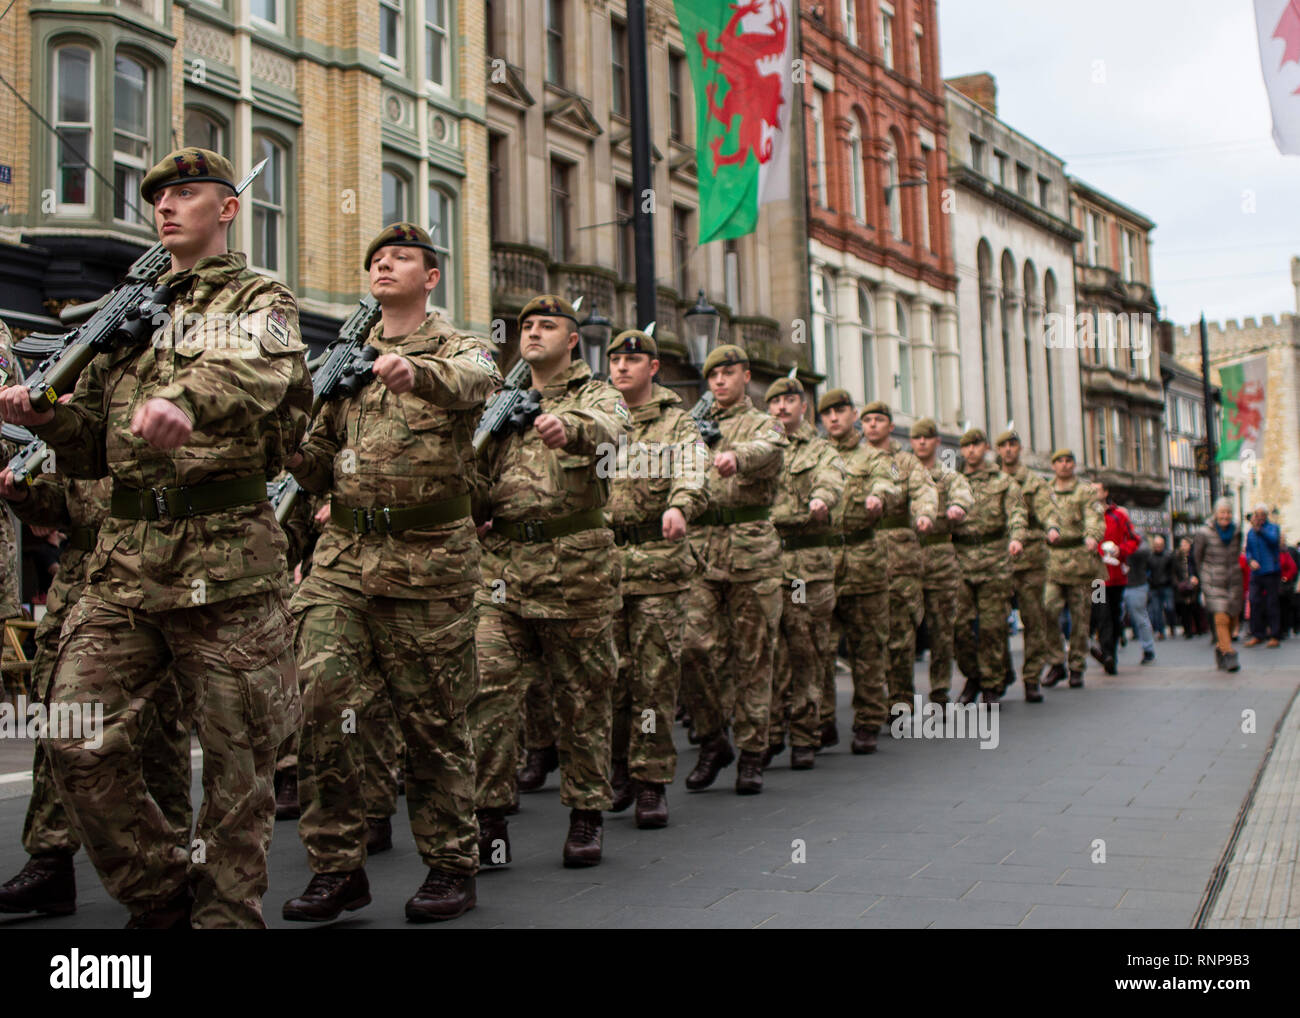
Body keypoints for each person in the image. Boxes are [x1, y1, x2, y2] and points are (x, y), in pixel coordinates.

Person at [0, 146, 312, 927]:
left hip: (228, 562)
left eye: (185, 192)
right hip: (127, 562)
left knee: (239, 766)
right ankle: (159, 887)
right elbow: (90, 447)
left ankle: (225, 916)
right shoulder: (127, 315)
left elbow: (262, 371)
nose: (166, 205)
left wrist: (186, 401)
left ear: (227, 208)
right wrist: (46, 418)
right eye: (158, 197)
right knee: (73, 735)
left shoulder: (258, 298)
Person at [281, 223, 497, 923]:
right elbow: (317, 464)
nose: (384, 264)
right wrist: (287, 441)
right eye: (376, 258)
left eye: (401, 257)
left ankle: (451, 865)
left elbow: (478, 383)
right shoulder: (344, 361)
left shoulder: (461, 348)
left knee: (433, 721)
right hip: (343, 560)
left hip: (429, 564)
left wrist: (416, 373)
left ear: (431, 277)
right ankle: (337, 867)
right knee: (321, 703)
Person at [469, 294, 628, 866]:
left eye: (547, 326)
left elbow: (615, 429)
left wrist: (571, 428)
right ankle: (489, 820)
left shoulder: (596, 394)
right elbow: (475, 476)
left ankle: (586, 814)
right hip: (502, 573)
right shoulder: (500, 402)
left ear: (572, 340)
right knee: (487, 693)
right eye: (527, 326)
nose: (533, 332)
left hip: (575, 572)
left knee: (583, 700)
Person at [0, 473, 193, 918]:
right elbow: (58, 505)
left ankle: (171, 868)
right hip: (80, 577)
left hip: (152, 571)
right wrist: (26, 496)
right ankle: (51, 857)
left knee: (158, 724)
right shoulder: (75, 432)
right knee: (60, 718)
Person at [604, 327, 708, 825]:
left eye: (632, 359)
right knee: (610, 679)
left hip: (658, 567)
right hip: (602, 567)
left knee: (654, 679)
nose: (622, 367)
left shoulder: (676, 422)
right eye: (615, 360)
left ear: (653, 367)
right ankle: (618, 770)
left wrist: (680, 505)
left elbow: (693, 468)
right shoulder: (598, 416)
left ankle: (650, 781)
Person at [681, 345, 787, 794]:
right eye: (713, 376)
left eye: (728, 373)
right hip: (701, 554)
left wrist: (736, 456)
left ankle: (752, 751)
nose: (720, 381)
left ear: (746, 375)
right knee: (689, 645)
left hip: (751, 554)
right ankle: (712, 738)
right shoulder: (690, 426)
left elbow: (769, 449)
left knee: (753, 656)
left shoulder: (765, 423)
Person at [765, 376, 844, 770]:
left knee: (806, 650)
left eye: (789, 400)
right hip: (764, 565)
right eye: (775, 401)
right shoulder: (761, 446)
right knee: (768, 654)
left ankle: (805, 733)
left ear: (803, 406)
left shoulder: (821, 449)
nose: (782, 407)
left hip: (805, 570)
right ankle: (769, 733)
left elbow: (831, 480)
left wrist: (821, 499)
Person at [816, 390, 899, 754]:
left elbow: (888, 481)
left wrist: (879, 497)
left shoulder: (874, 456)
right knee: (820, 647)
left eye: (840, 411)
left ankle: (868, 720)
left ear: (853, 414)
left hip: (864, 563)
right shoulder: (815, 456)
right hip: (821, 564)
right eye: (827, 413)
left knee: (867, 646)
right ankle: (823, 719)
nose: (834, 418)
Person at [861, 401, 937, 715]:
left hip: (900, 560)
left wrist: (924, 514)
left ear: (891, 426)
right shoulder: (853, 459)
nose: (872, 425)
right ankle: (870, 703)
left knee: (900, 635)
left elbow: (923, 491)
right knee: (867, 636)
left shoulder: (905, 462)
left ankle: (900, 700)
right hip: (861, 558)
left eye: (879, 419)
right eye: (867, 420)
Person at [952, 430, 1027, 703]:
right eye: (966, 446)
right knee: (958, 626)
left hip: (995, 561)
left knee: (992, 627)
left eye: (976, 445)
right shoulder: (954, 482)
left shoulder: (1003, 482)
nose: (971, 450)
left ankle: (992, 684)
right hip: (960, 561)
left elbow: (1017, 512)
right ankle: (973, 675)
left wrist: (1017, 537)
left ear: (985, 447)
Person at [910, 418, 972, 705]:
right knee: (900, 631)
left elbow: (962, 494)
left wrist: (958, 507)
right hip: (905, 558)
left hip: (940, 559)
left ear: (937, 441)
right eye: (917, 437)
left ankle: (939, 691)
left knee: (942, 630)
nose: (922, 442)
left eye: (927, 437)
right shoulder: (902, 473)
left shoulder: (949, 476)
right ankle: (899, 695)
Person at [996, 430, 1055, 693]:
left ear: (1020, 448)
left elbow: (1046, 509)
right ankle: (1002, 671)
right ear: (997, 450)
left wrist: (1051, 526)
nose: (1008, 449)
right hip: (998, 559)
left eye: (1012, 444)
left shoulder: (1034, 482)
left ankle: (1032, 677)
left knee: (1034, 620)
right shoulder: (992, 480)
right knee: (995, 621)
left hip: (1030, 560)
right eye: (1003, 445)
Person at [1042, 450, 1105, 688]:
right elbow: (1040, 514)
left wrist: (1092, 535)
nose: (1064, 465)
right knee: (1047, 608)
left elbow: (1094, 516)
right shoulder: (1045, 491)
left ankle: (1077, 665)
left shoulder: (1085, 491)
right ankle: (1056, 661)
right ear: (1053, 465)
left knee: (1080, 617)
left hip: (1079, 560)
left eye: (1069, 461)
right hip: (1053, 560)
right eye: (1060, 461)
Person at [1089, 482, 1138, 675]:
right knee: (1101, 614)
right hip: (1097, 579)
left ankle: (1111, 653)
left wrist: (1121, 550)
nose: (1093, 493)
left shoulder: (1119, 515)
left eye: (1097, 490)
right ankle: (1107, 653)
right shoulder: (1086, 516)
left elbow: (1134, 539)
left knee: (1115, 614)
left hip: (1116, 576)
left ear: (1105, 492)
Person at [1192, 500, 1243, 671]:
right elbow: (1197, 556)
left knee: (1232, 616)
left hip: (1233, 579)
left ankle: (1220, 647)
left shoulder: (1237, 531)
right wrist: (1204, 576)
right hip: (1213, 580)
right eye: (1222, 512)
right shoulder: (1204, 532)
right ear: (1215, 514)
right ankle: (1229, 653)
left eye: (1228, 512)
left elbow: (1236, 553)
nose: (1225, 516)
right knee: (1221, 617)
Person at [1244, 505, 1284, 648]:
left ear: (1266, 515)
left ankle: (1274, 635)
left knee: (1272, 603)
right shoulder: (1250, 532)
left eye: (1261, 514)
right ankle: (1257, 634)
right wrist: (1250, 560)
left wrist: (1260, 530)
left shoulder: (1273, 528)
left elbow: (1273, 541)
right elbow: (1248, 550)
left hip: (1271, 570)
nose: (1259, 516)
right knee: (1254, 601)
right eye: (1257, 514)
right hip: (1256, 572)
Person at [1124, 535, 1157, 664]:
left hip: (1136, 585)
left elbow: (1145, 551)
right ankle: (1109, 649)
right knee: (1109, 618)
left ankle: (1148, 649)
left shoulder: (1134, 535)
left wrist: (1122, 548)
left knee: (1140, 618)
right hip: (1113, 584)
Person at [1147, 534, 1176, 639]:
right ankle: (1160, 631)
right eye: (1156, 545)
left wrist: (1171, 580)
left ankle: (1172, 626)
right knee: (1156, 610)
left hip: (1166, 585)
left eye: (1160, 545)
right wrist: (1150, 580)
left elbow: (1173, 571)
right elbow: (1147, 571)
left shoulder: (1168, 556)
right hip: (1154, 587)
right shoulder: (1150, 557)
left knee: (1169, 608)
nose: (1158, 547)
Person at [1175, 535, 1204, 637]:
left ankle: (1199, 628)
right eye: (1182, 545)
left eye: (1185, 544)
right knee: (1184, 608)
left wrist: (1196, 579)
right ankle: (1188, 630)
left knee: (1195, 606)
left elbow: (1198, 568)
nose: (1183, 546)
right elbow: (1174, 572)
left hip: (1194, 584)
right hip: (1182, 585)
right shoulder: (1177, 557)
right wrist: (1177, 583)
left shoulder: (1194, 556)